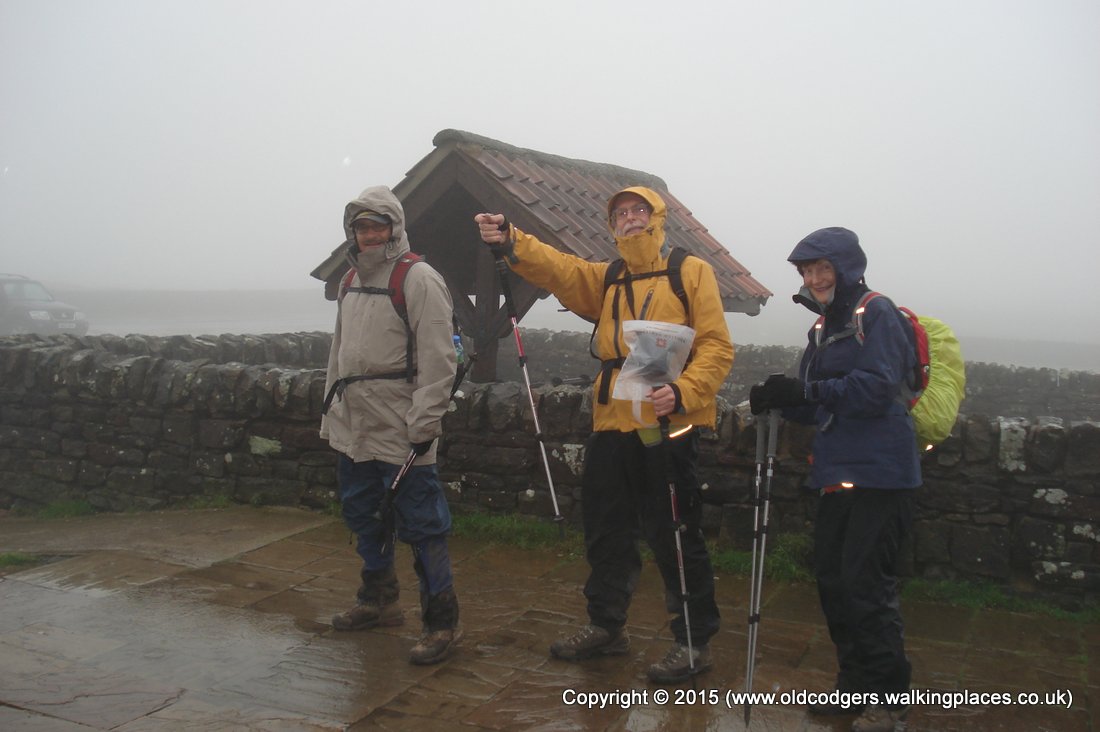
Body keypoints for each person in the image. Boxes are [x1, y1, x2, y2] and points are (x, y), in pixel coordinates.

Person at [474, 186, 734, 683]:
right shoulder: (609, 277)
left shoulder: (690, 271)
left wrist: (682, 392)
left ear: (657, 218)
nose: (630, 219)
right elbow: (558, 267)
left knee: (675, 533)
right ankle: (607, 627)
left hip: (669, 424)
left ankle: (693, 642)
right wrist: (510, 239)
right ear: (612, 225)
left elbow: (718, 347)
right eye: (621, 214)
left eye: (639, 211)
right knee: (606, 529)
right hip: (613, 420)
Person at [749, 227, 918, 732]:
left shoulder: (877, 313)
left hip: (881, 472)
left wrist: (806, 389)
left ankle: (889, 700)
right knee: (834, 582)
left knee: (867, 586)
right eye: (807, 270)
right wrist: (781, 397)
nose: (816, 278)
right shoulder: (822, 329)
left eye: (824, 268)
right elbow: (813, 400)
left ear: (847, 268)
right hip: (836, 471)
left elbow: (875, 388)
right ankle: (853, 687)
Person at [321, 185, 461, 666]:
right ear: (352, 231)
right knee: (365, 515)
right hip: (354, 425)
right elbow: (339, 352)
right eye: (361, 226)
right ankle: (377, 601)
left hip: (401, 425)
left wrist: (424, 423)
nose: (369, 233)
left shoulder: (419, 279)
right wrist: (331, 412)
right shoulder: (349, 282)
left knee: (423, 526)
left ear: (395, 226)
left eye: (378, 224)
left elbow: (440, 359)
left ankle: (441, 623)